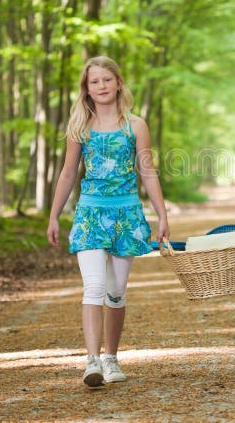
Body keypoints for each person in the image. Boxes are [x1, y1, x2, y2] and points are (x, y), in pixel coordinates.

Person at [47, 56, 170, 388]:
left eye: (106, 80)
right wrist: (54, 215)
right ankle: (92, 361)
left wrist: (162, 215)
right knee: (95, 287)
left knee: (116, 293)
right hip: (89, 215)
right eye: (94, 82)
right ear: (86, 89)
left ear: (118, 83)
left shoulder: (136, 125)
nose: (101, 86)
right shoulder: (80, 128)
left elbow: (147, 171)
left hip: (126, 216)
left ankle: (112, 358)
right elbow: (68, 173)